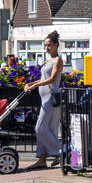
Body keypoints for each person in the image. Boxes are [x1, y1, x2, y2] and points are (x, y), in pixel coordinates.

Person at [24, 31, 63, 169]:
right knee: (48, 130)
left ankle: (61, 152)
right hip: (45, 99)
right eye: (45, 45)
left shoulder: (58, 60)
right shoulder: (48, 60)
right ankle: (42, 158)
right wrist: (31, 83)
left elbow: (52, 79)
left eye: (49, 45)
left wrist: (34, 85)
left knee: (40, 128)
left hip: (52, 99)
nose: (47, 48)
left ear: (56, 45)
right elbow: (42, 78)